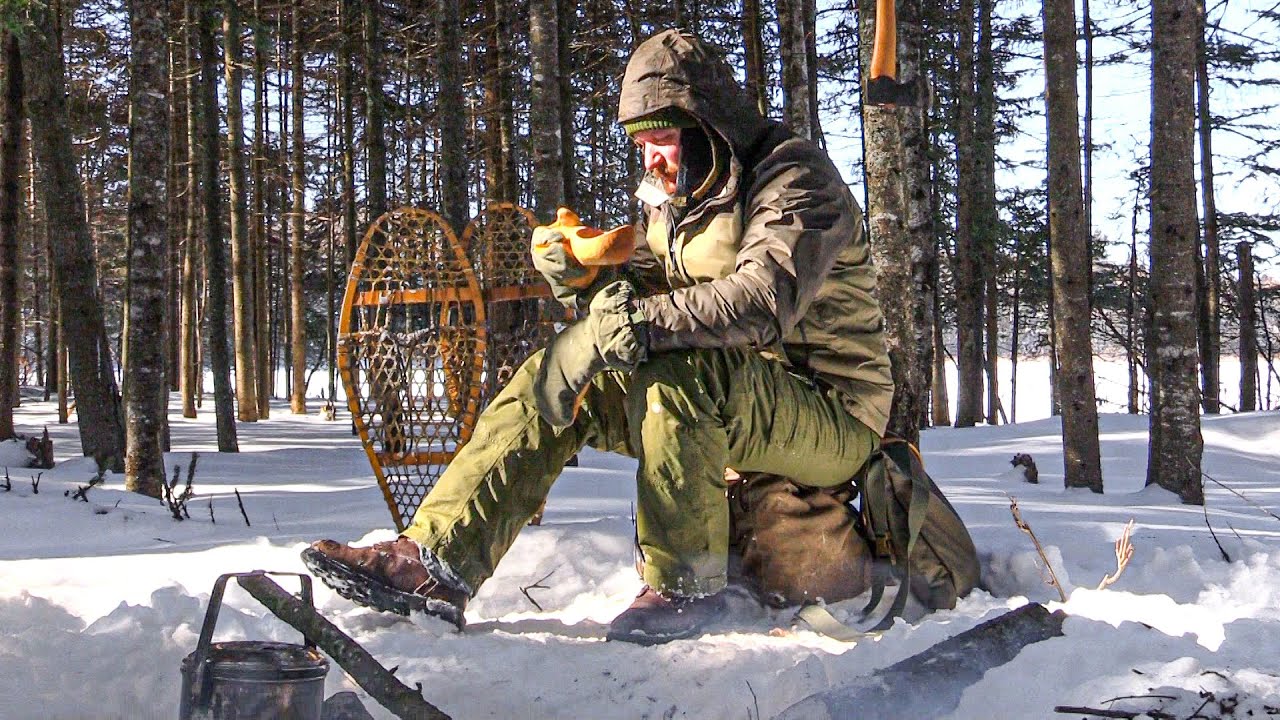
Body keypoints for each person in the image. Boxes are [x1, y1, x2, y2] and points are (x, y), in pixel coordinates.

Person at [302, 28, 894, 646]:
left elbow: (760, 300)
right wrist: (580, 281)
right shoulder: (679, 198)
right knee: (554, 374)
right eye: (641, 146)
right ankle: (433, 562)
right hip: (737, 397)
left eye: (662, 141)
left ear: (706, 128)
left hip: (833, 409)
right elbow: (646, 303)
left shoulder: (795, 180)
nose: (651, 161)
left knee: (680, 371)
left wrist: (631, 323)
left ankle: (683, 587)